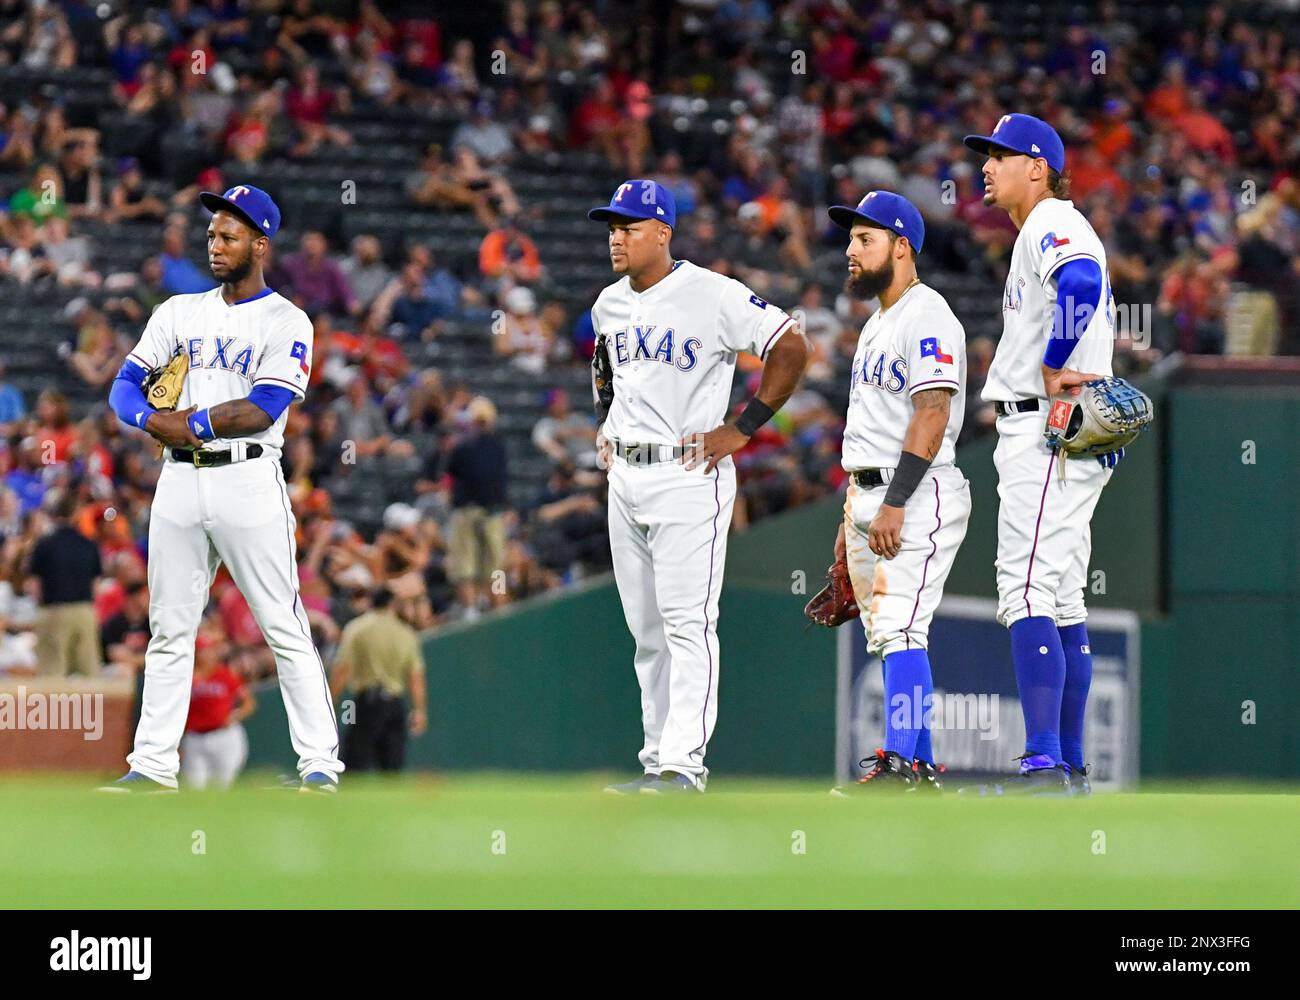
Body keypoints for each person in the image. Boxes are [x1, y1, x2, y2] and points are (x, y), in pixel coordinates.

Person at [101, 183, 343, 793]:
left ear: (260, 244)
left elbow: (265, 406)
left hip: (247, 477)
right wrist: (150, 421)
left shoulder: (287, 319)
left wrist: (191, 422)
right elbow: (123, 386)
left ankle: (319, 765)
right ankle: (153, 766)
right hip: (179, 479)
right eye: (211, 233)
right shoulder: (178, 311)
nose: (215, 243)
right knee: (170, 629)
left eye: (229, 235)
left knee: (283, 625)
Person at [588, 180, 811, 794]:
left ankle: (684, 767)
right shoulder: (607, 303)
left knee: (688, 623)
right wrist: (605, 423)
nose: (616, 236)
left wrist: (743, 429)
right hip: (625, 475)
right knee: (647, 633)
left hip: (689, 475)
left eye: (629, 226)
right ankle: (657, 759)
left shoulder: (711, 294)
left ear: (663, 232)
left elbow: (792, 346)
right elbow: (606, 369)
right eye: (612, 226)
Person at [964, 114, 1119, 796]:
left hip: (1047, 426)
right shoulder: (1042, 227)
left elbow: (1081, 284)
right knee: (1059, 596)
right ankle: (1071, 766)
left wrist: (1056, 363)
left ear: (1037, 165)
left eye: (998, 156)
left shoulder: (1054, 220)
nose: (985, 168)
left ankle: (1043, 763)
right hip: (1071, 429)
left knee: (1025, 588)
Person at [819, 192, 972, 792]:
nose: (850, 252)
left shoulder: (928, 315)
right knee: (891, 637)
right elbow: (871, 430)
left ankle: (902, 765)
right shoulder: (879, 321)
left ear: (901, 247)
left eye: (865, 239)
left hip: (916, 493)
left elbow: (931, 415)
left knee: (902, 631)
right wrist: (850, 513)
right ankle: (922, 771)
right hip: (870, 494)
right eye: (850, 240)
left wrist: (895, 501)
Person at [328, 585, 427, 773]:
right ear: (392, 604)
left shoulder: (357, 628)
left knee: (355, 765)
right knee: (392, 771)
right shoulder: (406, 632)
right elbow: (415, 676)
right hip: (395, 705)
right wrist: (419, 710)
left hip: (363, 704)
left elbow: (343, 670)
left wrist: (329, 702)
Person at [443, 396, 508, 618]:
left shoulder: (461, 446)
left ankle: (471, 610)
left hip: (467, 511)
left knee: (465, 565)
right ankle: (498, 605)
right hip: (491, 512)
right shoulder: (498, 446)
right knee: (495, 565)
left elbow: (449, 475)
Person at [26, 490, 103, 677]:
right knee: (88, 673)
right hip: (84, 611)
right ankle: (91, 708)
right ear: (76, 513)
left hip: (54, 611)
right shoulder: (88, 544)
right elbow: (96, 585)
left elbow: (34, 585)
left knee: (51, 674)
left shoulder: (43, 544)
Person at [180, 631, 256, 790]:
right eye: (202, 651)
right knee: (193, 788)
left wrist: (234, 715)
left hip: (223, 735)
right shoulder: (184, 676)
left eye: (209, 650)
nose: (206, 655)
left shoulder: (223, 674)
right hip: (195, 738)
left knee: (221, 787)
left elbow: (248, 702)